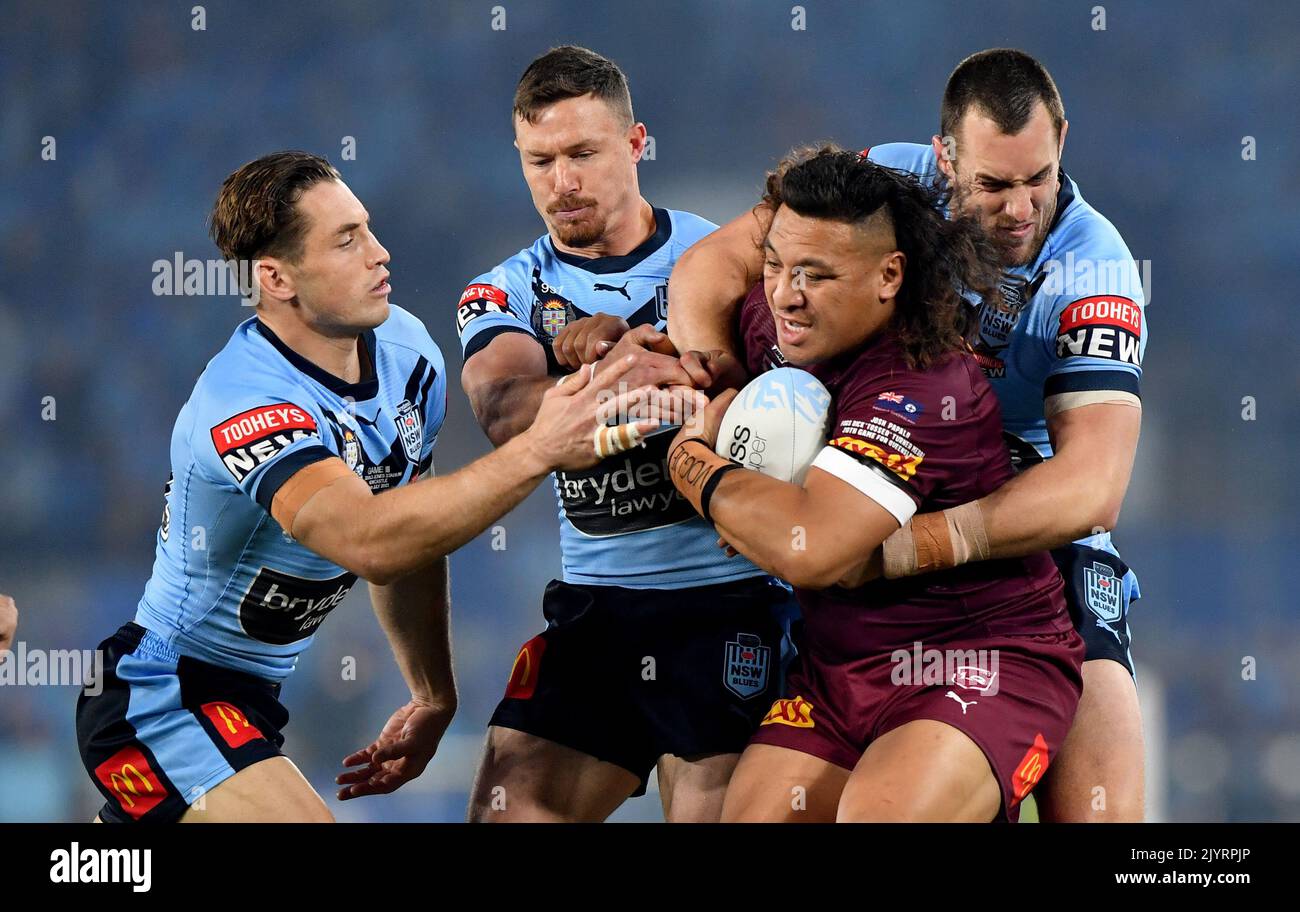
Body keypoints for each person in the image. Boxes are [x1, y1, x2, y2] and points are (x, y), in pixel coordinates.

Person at [75, 150, 658, 823]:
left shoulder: (408, 353)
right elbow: (368, 540)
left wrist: (433, 693)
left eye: (369, 228)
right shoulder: (244, 401)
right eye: (347, 240)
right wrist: (540, 447)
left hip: (252, 704)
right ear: (276, 277)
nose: (380, 254)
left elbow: (410, 529)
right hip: (157, 693)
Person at [666, 49, 1148, 822]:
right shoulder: (888, 189)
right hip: (866, 495)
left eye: (1040, 178)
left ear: (1062, 140)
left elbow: (1093, 489)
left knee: (1095, 793)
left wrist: (906, 547)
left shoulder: (1095, 273)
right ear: (943, 159)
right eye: (994, 185)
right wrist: (719, 394)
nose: (1022, 208)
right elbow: (712, 265)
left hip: (1025, 525)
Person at [457, 46, 791, 823]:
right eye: (540, 160)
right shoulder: (507, 289)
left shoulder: (717, 259)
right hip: (596, 613)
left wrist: (693, 378)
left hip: (727, 602)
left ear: (637, 144)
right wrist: (606, 376)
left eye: (582, 153)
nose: (561, 181)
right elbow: (505, 411)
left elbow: (784, 395)